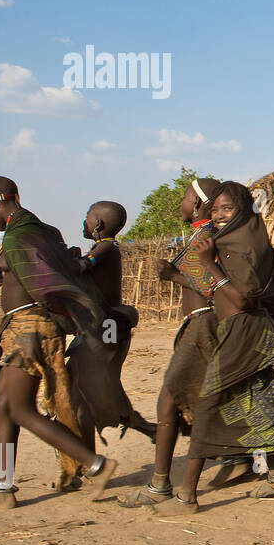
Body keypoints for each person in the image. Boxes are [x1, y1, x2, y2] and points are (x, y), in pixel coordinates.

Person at [150, 182, 274, 514]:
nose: (218, 215)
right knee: (262, 410)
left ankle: (185, 496)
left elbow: (243, 299)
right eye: (215, 209)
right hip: (241, 330)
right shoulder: (233, 238)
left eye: (226, 209)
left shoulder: (240, 242)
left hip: (243, 331)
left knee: (206, 409)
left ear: (243, 210)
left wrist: (210, 265)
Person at [0, 177, 118, 509]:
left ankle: (96, 465)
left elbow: (46, 282)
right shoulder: (38, 231)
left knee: (17, 407)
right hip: (23, 327)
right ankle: (2, 489)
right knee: (1, 405)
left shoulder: (23, 235)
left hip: (31, 329)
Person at [117, 178, 223, 508]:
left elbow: (210, 287)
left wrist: (171, 275)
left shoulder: (204, 237)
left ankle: (161, 486)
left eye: (185, 197)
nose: (180, 202)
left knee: (168, 401)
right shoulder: (200, 235)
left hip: (202, 324)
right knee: (203, 402)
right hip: (199, 324)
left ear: (198, 204)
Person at [65, 200, 156, 449]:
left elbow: (82, 268)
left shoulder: (105, 248)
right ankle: (148, 429)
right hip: (105, 327)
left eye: (87, 216)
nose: (84, 221)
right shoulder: (103, 249)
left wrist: (65, 259)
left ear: (98, 223)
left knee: (82, 392)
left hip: (106, 327)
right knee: (99, 387)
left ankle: (88, 463)